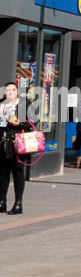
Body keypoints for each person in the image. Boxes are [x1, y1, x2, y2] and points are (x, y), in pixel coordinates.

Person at [0, 81, 28, 215]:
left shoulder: (22, 105)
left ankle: (18, 204)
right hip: (3, 144)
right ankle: (2, 202)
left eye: (13, 89)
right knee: (3, 173)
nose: (10, 92)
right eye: (7, 90)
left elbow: (31, 123)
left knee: (17, 173)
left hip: (17, 144)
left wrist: (18, 123)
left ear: (17, 92)